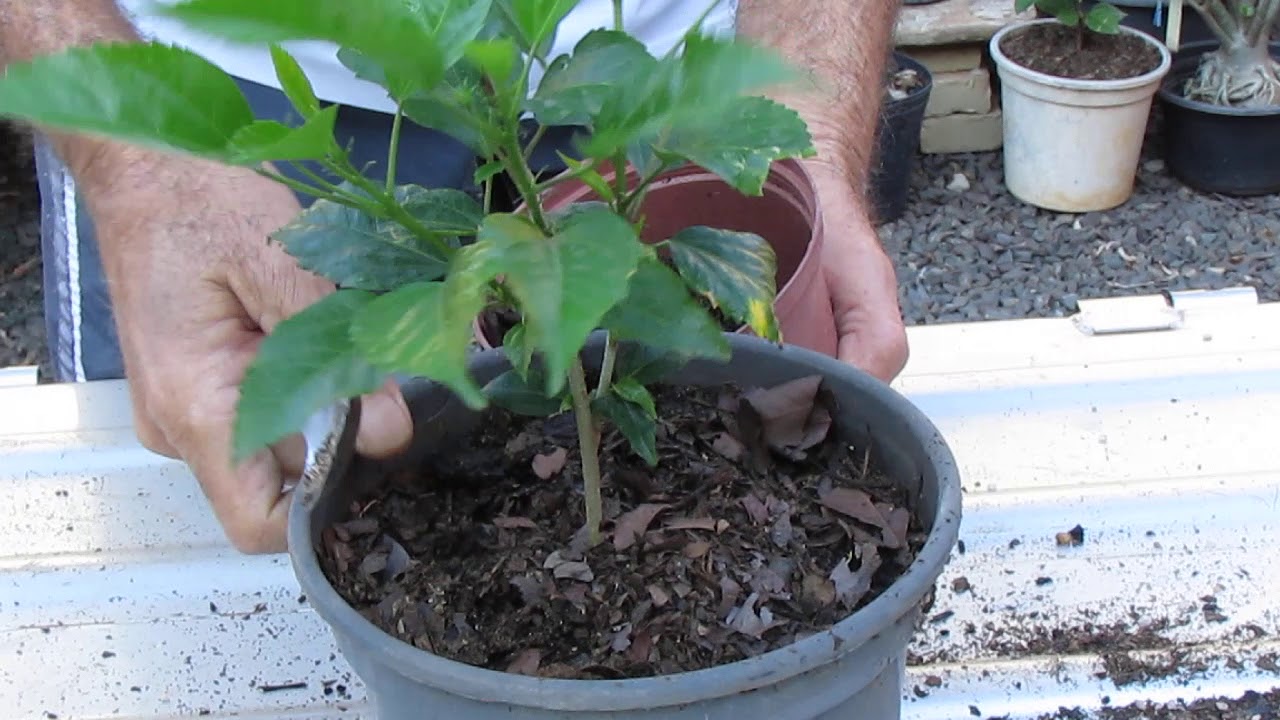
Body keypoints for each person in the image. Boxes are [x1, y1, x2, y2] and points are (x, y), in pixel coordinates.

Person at [0, 0, 909, 553]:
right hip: (205, 124)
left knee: (743, 435)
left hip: (670, 84)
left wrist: (810, 121)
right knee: (233, 503)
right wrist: (137, 167)